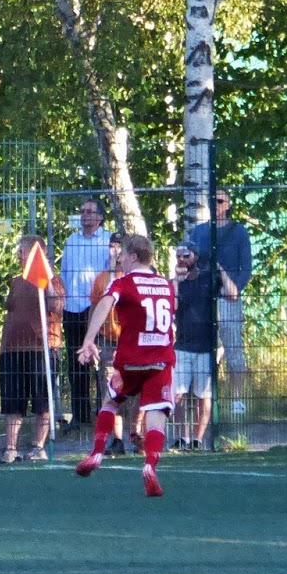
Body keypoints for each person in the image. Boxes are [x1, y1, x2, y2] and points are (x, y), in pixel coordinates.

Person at [73, 234, 177, 497]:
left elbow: (104, 303)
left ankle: (96, 454)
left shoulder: (124, 283)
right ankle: (150, 466)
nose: (119, 258)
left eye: (122, 255)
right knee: (156, 415)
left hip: (131, 360)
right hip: (161, 360)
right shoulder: (166, 285)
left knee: (111, 402)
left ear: (132, 256)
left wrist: (88, 340)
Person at [0, 235, 65, 464]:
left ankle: (38, 446)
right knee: (12, 400)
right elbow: (10, 308)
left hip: (41, 348)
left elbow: (57, 308)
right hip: (13, 350)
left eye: (23, 252)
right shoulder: (16, 281)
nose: (18, 256)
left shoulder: (53, 281)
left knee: (42, 400)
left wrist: (44, 282)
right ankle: (10, 448)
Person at [187, 189, 254, 413]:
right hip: (203, 300)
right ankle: (203, 400)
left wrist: (233, 287)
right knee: (203, 351)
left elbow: (246, 268)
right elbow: (189, 262)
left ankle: (237, 400)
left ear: (228, 204)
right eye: (212, 200)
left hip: (228, 298)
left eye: (220, 200)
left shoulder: (239, 232)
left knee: (234, 349)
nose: (215, 204)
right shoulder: (199, 231)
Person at [59, 199, 113, 433]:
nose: (85, 215)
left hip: (97, 309)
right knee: (75, 363)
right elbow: (65, 273)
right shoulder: (72, 241)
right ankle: (80, 417)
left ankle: (106, 415)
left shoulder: (107, 240)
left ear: (100, 217)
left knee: (101, 363)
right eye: (82, 211)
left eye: (90, 212)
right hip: (72, 308)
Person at [172, 243, 219, 451]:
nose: (181, 259)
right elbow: (171, 306)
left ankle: (198, 440)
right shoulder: (175, 283)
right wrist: (176, 281)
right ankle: (184, 437)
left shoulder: (208, 279)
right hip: (182, 345)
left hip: (205, 346)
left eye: (186, 255)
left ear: (196, 256)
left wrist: (221, 269)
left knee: (204, 395)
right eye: (178, 255)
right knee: (178, 395)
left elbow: (233, 294)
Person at [89, 234, 132, 454]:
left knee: (134, 391)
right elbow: (94, 309)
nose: (115, 251)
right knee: (110, 389)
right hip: (107, 341)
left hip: (131, 342)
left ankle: (138, 436)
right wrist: (91, 340)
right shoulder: (101, 279)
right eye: (112, 246)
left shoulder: (133, 278)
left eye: (119, 247)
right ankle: (116, 439)